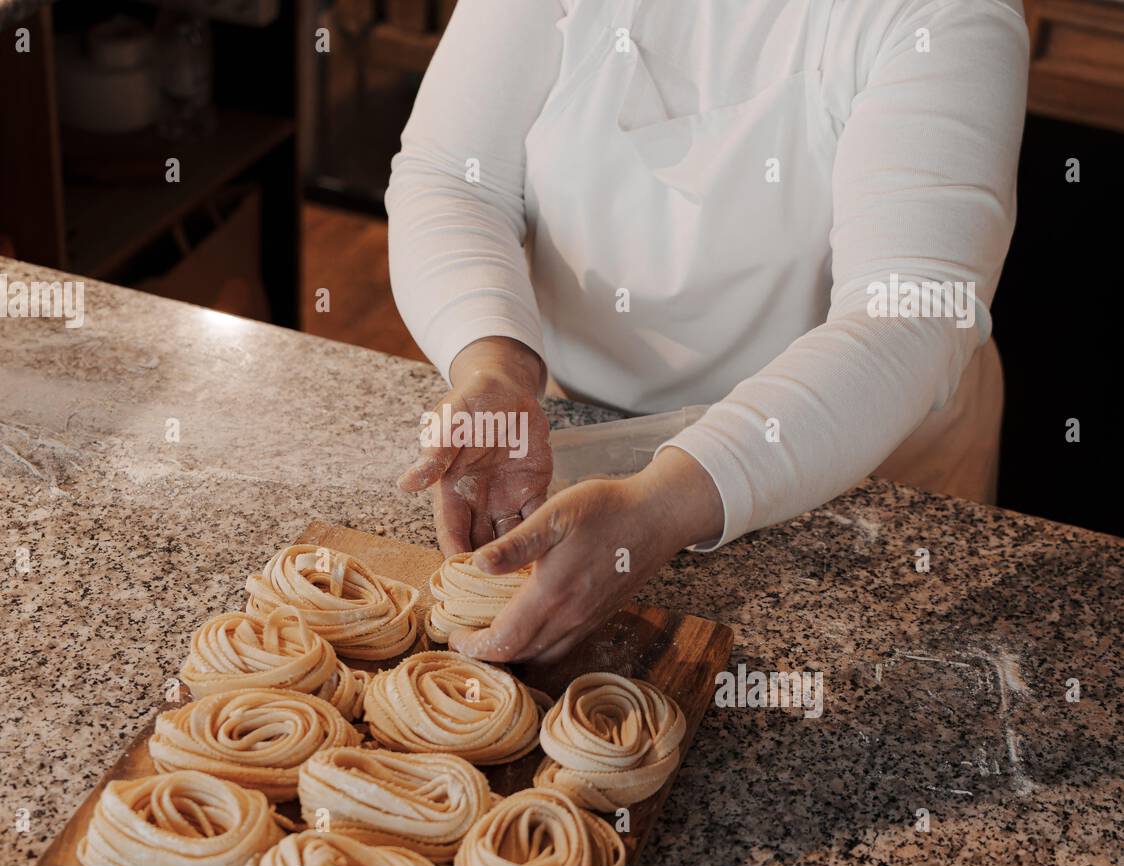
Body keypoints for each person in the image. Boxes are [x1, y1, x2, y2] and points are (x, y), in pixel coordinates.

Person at [387, 0, 1028, 664]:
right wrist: (497, 368)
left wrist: (665, 506)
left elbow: (909, 310)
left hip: (865, 478)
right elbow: (455, 181)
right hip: (592, 450)